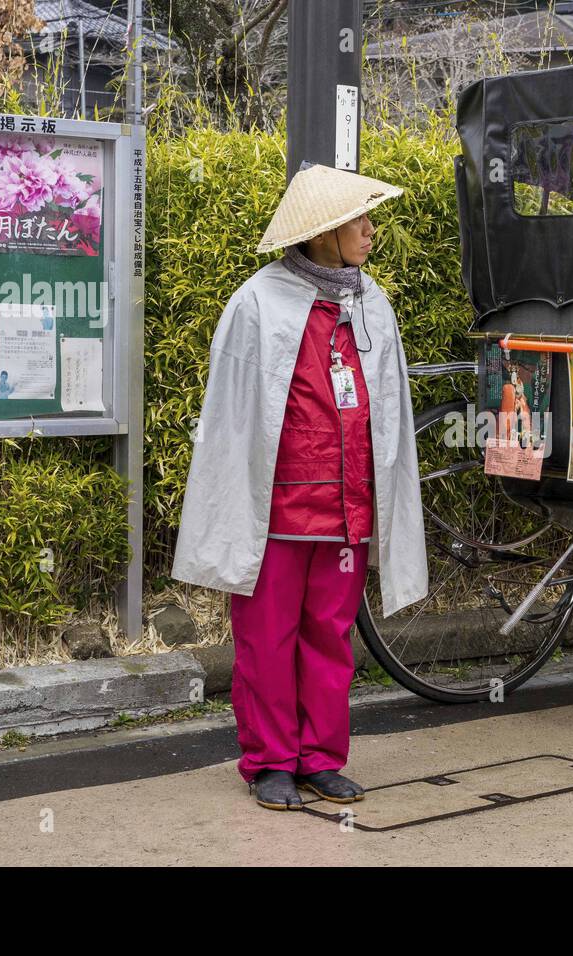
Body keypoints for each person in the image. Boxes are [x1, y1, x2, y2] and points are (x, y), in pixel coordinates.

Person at [170, 163, 429, 811]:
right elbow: (233, 422)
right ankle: (269, 762)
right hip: (277, 512)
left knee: (329, 638)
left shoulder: (372, 302)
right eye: (357, 221)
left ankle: (319, 757)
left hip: (346, 507)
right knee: (266, 639)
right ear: (321, 234)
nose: (370, 231)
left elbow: (388, 412)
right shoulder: (256, 303)